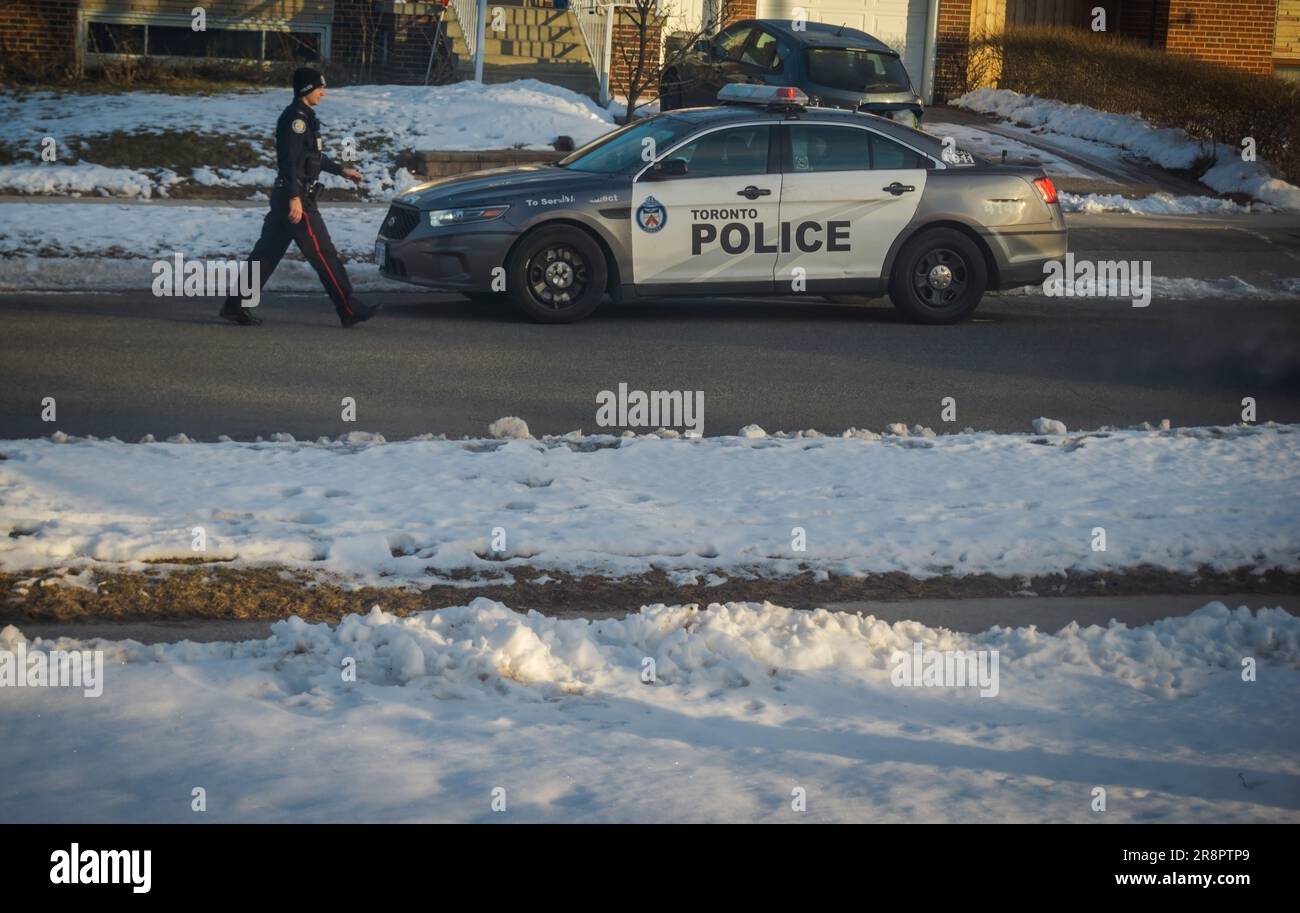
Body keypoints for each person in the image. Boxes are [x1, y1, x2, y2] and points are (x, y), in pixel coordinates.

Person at [220, 67, 380, 328]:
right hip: (296, 200)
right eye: (320, 88)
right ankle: (348, 308)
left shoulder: (305, 117)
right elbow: (289, 161)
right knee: (323, 254)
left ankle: (235, 305)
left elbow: (310, 158)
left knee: (266, 255)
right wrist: (295, 197)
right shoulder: (296, 119)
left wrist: (342, 171)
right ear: (307, 89)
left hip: (288, 196)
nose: (323, 93)